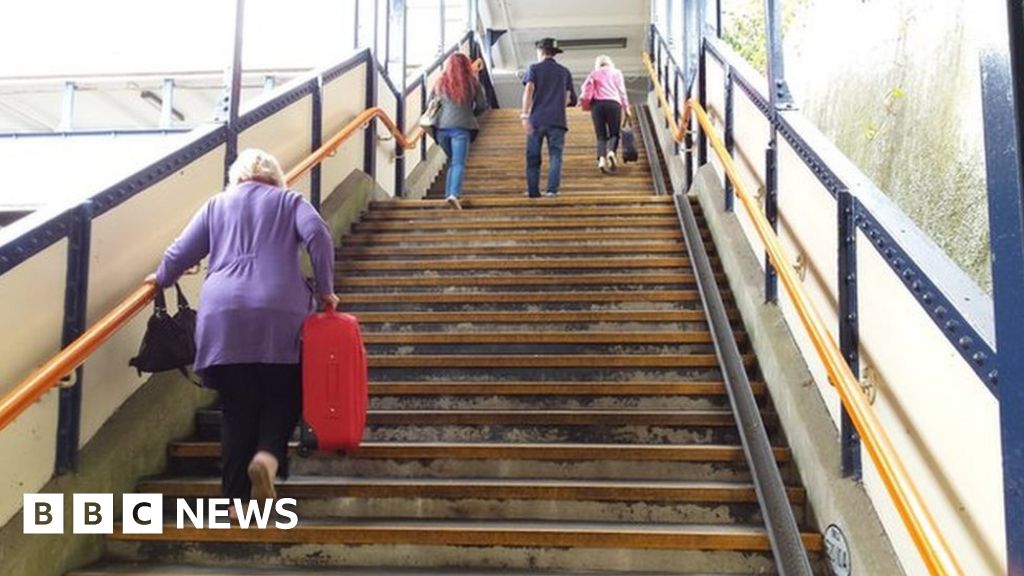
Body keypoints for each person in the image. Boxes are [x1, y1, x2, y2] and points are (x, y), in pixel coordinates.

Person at [146, 148, 338, 514]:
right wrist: (326, 289)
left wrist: (162, 278)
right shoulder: (290, 201)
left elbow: (180, 252)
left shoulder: (217, 205)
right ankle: (267, 459)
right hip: (280, 311)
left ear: (237, 177)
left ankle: (235, 502)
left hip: (224, 314)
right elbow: (318, 234)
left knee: (237, 408)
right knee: (284, 393)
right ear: (275, 177)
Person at [429, 52, 488, 210]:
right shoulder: (472, 83)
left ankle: (449, 196)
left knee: (452, 162)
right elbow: (482, 106)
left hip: (441, 129)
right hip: (461, 129)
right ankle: (453, 195)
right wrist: (470, 114)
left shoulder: (439, 82)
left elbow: (430, 103)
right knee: (458, 163)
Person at [521, 37, 576, 198]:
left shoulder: (534, 68)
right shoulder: (564, 72)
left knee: (533, 157)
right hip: (557, 121)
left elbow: (529, 90)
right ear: (554, 53)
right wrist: (556, 105)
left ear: (541, 51)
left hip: (536, 120)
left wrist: (525, 115)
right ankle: (552, 190)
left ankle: (533, 192)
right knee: (555, 156)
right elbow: (568, 98)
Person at [580, 55, 631, 173]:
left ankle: (602, 159)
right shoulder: (616, 73)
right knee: (614, 133)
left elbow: (585, 90)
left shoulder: (594, 73)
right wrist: (626, 108)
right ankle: (611, 152)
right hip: (613, 104)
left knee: (601, 135)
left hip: (597, 106)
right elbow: (622, 92)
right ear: (610, 63)